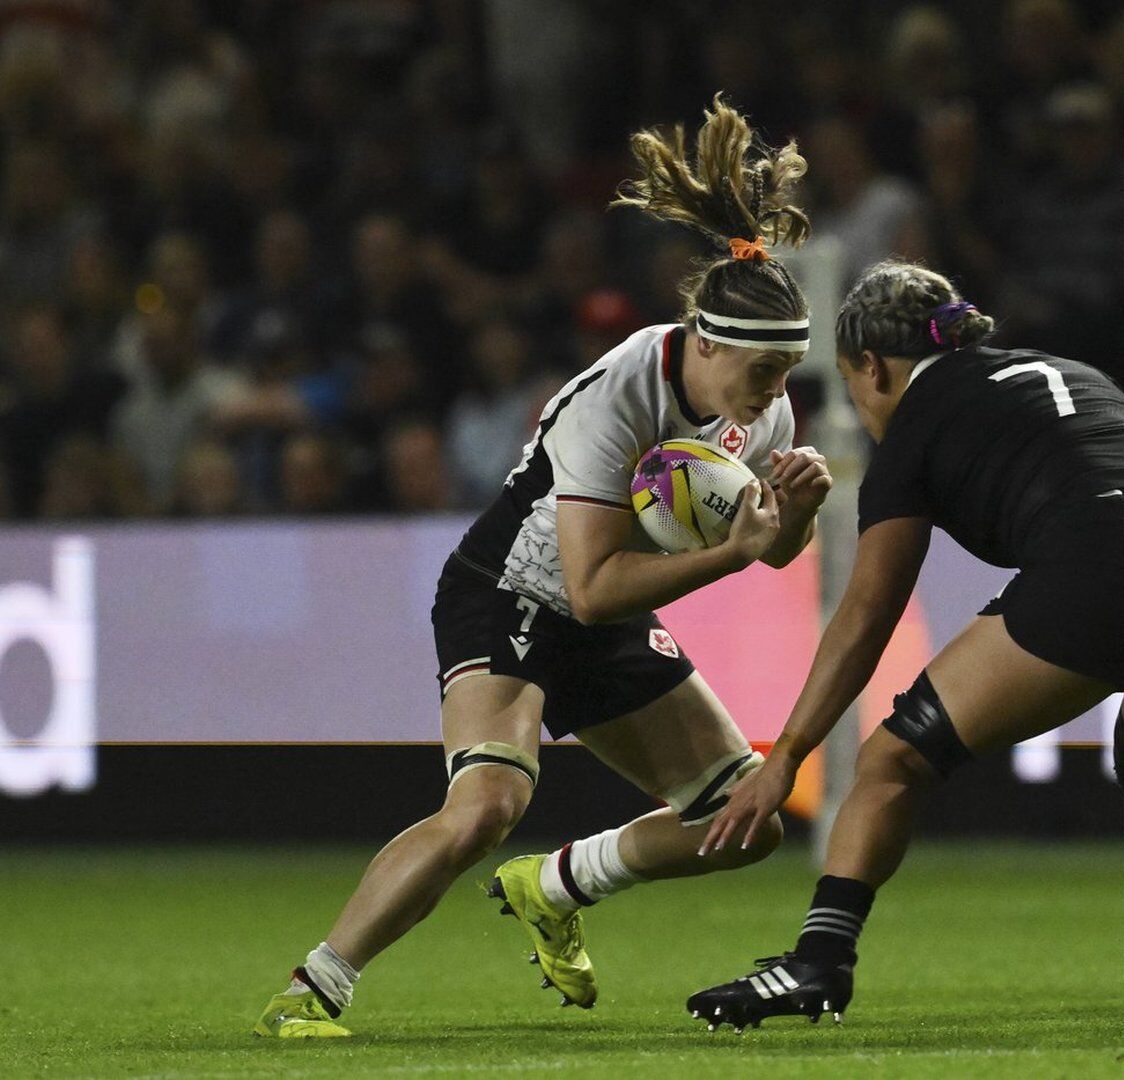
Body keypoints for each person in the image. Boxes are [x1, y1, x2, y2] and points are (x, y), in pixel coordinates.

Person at [253, 97, 833, 1037]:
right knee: (487, 804)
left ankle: (557, 884)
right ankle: (313, 987)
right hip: (509, 593)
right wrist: (733, 553)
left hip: (605, 611)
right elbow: (594, 584)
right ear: (707, 340)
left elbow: (764, 551)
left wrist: (793, 519)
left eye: (787, 374)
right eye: (765, 372)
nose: (776, 395)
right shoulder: (621, 393)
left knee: (746, 819)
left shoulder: (760, 410)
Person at [686, 261, 1124, 1032]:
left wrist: (787, 754)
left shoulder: (915, 426)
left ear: (871, 366)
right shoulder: (1069, 372)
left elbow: (870, 609)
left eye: (852, 385)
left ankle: (819, 962)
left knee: (894, 761)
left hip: (1104, 562)